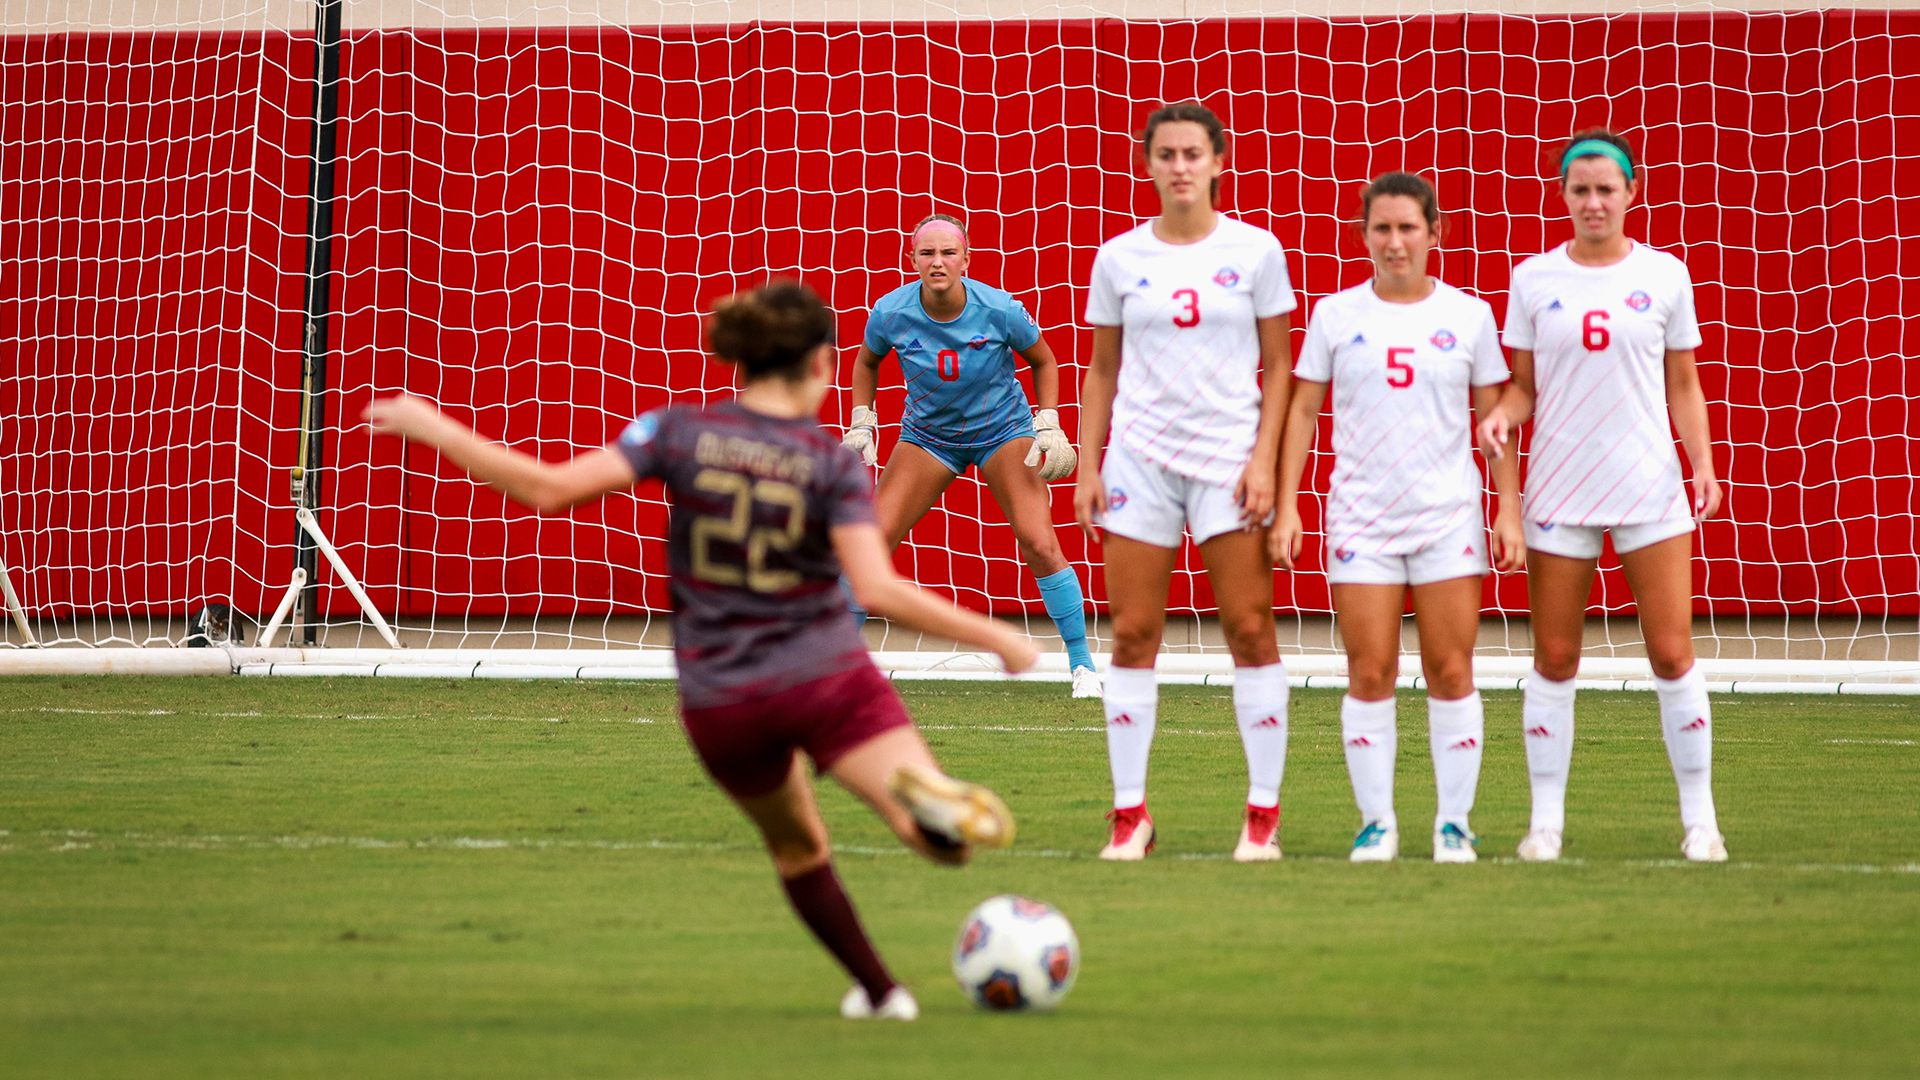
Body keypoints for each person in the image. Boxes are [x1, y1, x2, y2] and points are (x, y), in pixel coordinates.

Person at [362, 280, 1040, 1020]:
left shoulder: (674, 432)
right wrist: (994, 634)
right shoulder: (830, 464)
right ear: (822, 364)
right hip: (825, 674)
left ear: (742, 362)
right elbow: (875, 587)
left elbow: (549, 491)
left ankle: (883, 994)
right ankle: (920, 806)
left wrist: (434, 427)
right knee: (944, 847)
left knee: (799, 850)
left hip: (725, 698)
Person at [1476, 130, 1727, 863]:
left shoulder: (1666, 276)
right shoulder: (1532, 280)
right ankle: (1544, 825)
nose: (1593, 202)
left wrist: (1701, 463)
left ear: (1631, 192)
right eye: (1579, 189)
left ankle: (1701, 822)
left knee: (1672, 654)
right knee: (1555, 658)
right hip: (1559, 488)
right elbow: (1521, 390)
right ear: (1562, 194)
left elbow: (1683, 383)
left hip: (1649, 486)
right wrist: (1500, 418)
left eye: (1605, 189)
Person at [1272, 172, 1524, 864]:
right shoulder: (1334, 315)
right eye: (1381, 228)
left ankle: (1454, 823)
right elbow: (1300, 409)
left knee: (1450, 668)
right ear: (1364, 236)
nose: (1395, 241)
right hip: (1361, 519)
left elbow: (1495, 416)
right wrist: (1288, 501)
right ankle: (1376, 823)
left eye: (1408, 227)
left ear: (1434, 233)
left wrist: (1508, 510)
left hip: (1447, 520)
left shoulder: (1468, 317)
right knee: (1370, 669)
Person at [1074, 101, 1296, 863]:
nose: (1178, 166)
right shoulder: (1119, 258)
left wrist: (1264, 459)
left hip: (1230, 463)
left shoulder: (1256, 251)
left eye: (1192, 153)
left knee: (1249, 629)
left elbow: (1278, 368)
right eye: (1165, 153)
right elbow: (1102, 369)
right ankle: (1129, 816)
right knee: (1133, 633)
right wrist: (1091, 463)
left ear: (1218, 162)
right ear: (1148, 163)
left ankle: (1261, 817)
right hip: (1140, 461)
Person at [844, 214, 1098, 699]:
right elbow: (866, 361)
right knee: (869, 544)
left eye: (947, 253)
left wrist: (1048, 421)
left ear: (965, 258)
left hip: (1002, 431)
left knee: (1039, 542)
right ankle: (833, 668)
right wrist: (862, 416)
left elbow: (1044, 360)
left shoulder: (999, 308)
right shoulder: (889, 311)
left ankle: (1083, 667)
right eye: (927, 253)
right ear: (911, 259)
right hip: (928, 438)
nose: (937, 262)